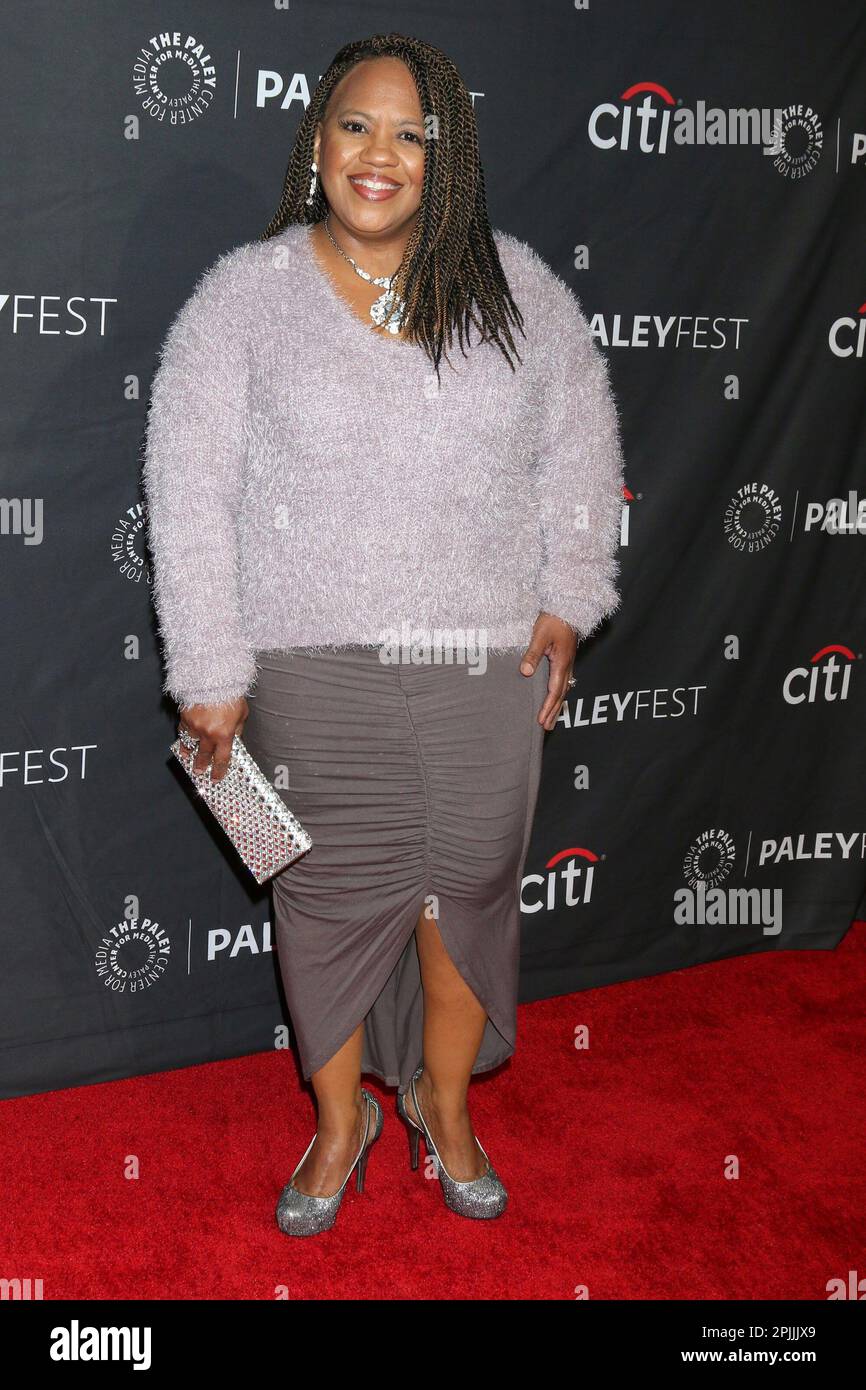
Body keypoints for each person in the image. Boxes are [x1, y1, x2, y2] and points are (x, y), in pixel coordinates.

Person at [142, 32, 625, 1237]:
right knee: (315, 905)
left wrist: (570, 591)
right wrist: (207, 670)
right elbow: (186, 487)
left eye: (412, 133)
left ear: (444, 159)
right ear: (317, 143)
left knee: (461, 898)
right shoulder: (240, 301)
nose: (380, 154)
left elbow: (582, 446)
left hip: (479, 667)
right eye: (357, 125)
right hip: (307, 672)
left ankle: (442, 1105)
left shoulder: (521, 292)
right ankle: (339, 1122)